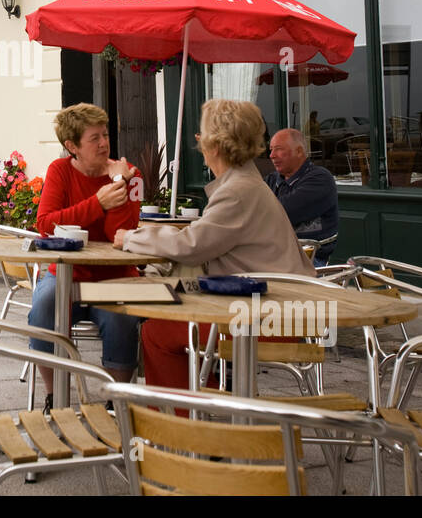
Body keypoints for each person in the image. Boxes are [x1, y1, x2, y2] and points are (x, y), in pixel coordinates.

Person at [113, 99, 312, 390]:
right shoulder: (246, 184)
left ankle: (179, 427)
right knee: (171, 319)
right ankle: (214, 400)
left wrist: (131, 237)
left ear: (214, 146)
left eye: (200, 135)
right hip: (273, 309)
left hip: (267, 319)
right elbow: (202, 242)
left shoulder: (237, 191)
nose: (198, 142)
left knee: (156, 333)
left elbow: (192, 246)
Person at [29, 103, 142, 411]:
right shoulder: (60, 171)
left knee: (122, 318)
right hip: (67, 272)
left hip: (115, 276)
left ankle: (114, 401)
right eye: (94, 138)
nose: (104, 143)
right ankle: (56, 396)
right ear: (72, 146)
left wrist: (119, 185)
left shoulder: (132, 176)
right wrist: (97, 202)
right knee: (44, 306)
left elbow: (123, 236)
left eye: (105, 135)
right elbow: (45, 224)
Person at [265, 128, 339, 267]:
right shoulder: (271, 180)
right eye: (271, 150)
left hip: (308, 261)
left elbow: (283, 212)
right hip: (273, 255)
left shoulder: (320, 178)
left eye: (278, 149)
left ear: (299, 151)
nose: (272, 155)